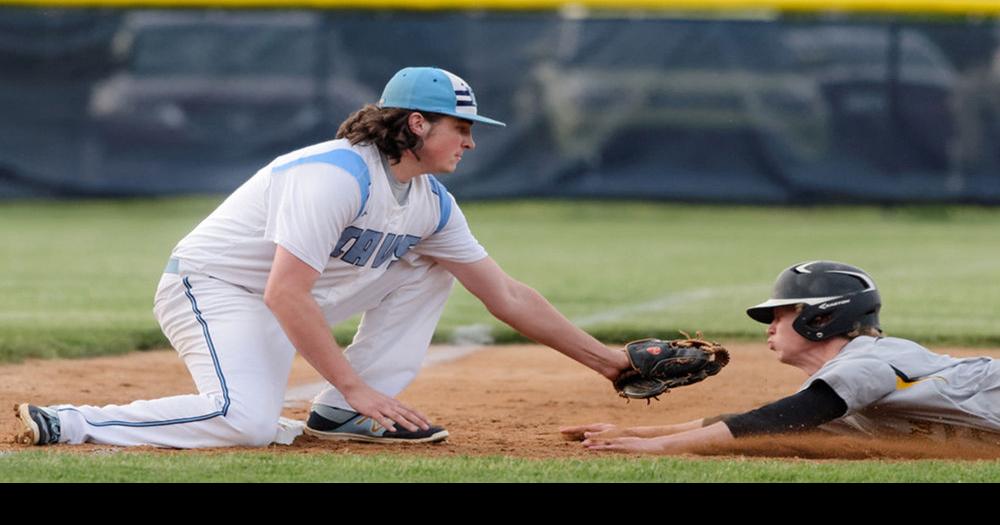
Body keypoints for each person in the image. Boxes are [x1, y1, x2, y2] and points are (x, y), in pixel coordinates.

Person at [15, 66, 631, 448]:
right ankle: (72, 420)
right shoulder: (334, 174)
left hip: (297, 295)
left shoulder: (429, 201)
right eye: (460, 127)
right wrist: (357, 383)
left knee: (432, 264)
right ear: (417, 124)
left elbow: (507, 295)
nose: (470, 140)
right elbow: (285, 292)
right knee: (245, 424)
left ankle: (339, 417)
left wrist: (610, 364)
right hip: (216, 289)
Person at [563, 260, 1000, 454]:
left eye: (782, 314)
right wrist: (636, 431)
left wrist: (661, 446)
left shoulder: (869, 364)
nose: (770, 327)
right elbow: (755, 423)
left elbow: (775, 419)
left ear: (821, 317)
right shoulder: (853, 384)